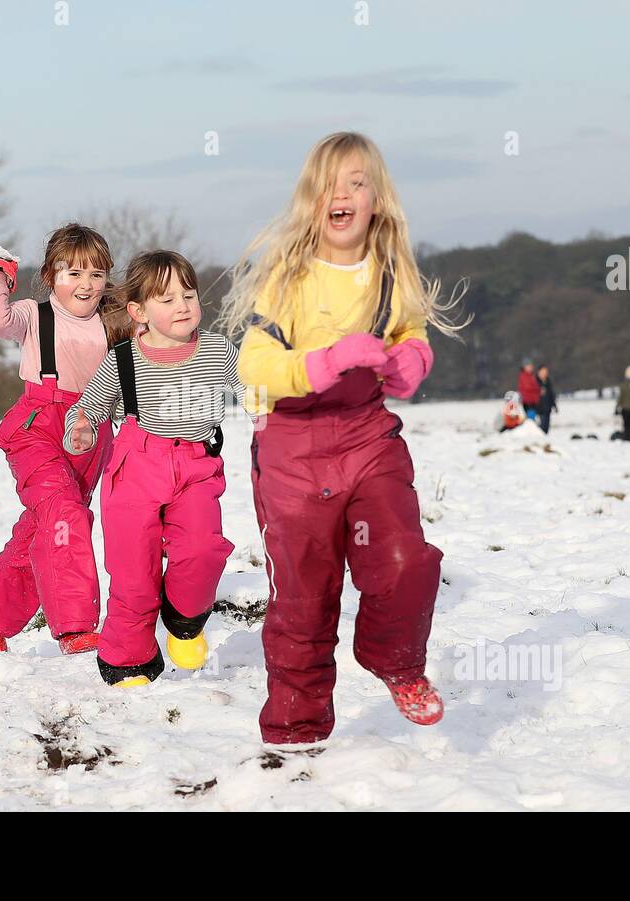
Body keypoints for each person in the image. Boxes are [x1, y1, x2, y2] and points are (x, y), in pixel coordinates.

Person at [219, 131, 459, 746]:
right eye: (331, 182)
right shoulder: (286, 275)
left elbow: (411, 332)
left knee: (406, 558)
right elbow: (252, 364)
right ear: (310, 196)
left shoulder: (390, 272)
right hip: (290, 446)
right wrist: (320, 363)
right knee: (304, 602)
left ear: (377, 199)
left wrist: (414, 361)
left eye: (357, 182)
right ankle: (296, 735)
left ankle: (395, 660)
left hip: (366, 436)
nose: (343, 193)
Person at [64, 250, 247, 687]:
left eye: (188, 294)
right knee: (133, 572)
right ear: (139, 311)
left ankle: (185, 619)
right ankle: (129, 659)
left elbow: (256, 394)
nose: (182, 305)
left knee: (203, 549)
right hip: (134, 466)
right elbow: (88, 405)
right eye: (166, 299)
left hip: (197, 465)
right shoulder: (123, 359)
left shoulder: (220, 351)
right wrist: (83, 426)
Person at [0, 225, 127, 656]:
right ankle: (76, 628)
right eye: (73, 273)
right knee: (65, 513)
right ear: (52, 274)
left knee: (47, 528)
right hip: (38, 428)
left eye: (96, 274)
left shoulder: (114, 323)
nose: (85, 284)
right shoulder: (34, 315)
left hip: (90, 435)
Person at [536, 364, 558, 434]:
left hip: (547, 408)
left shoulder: (548, 382)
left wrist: (554, 405)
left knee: (546, 427)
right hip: (539, 408)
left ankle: (544, 439)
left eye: (546, 372)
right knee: (541, 427)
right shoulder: (535, 381)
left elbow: (551, 395)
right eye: (543, 372)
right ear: (539, 372)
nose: (544, 373)